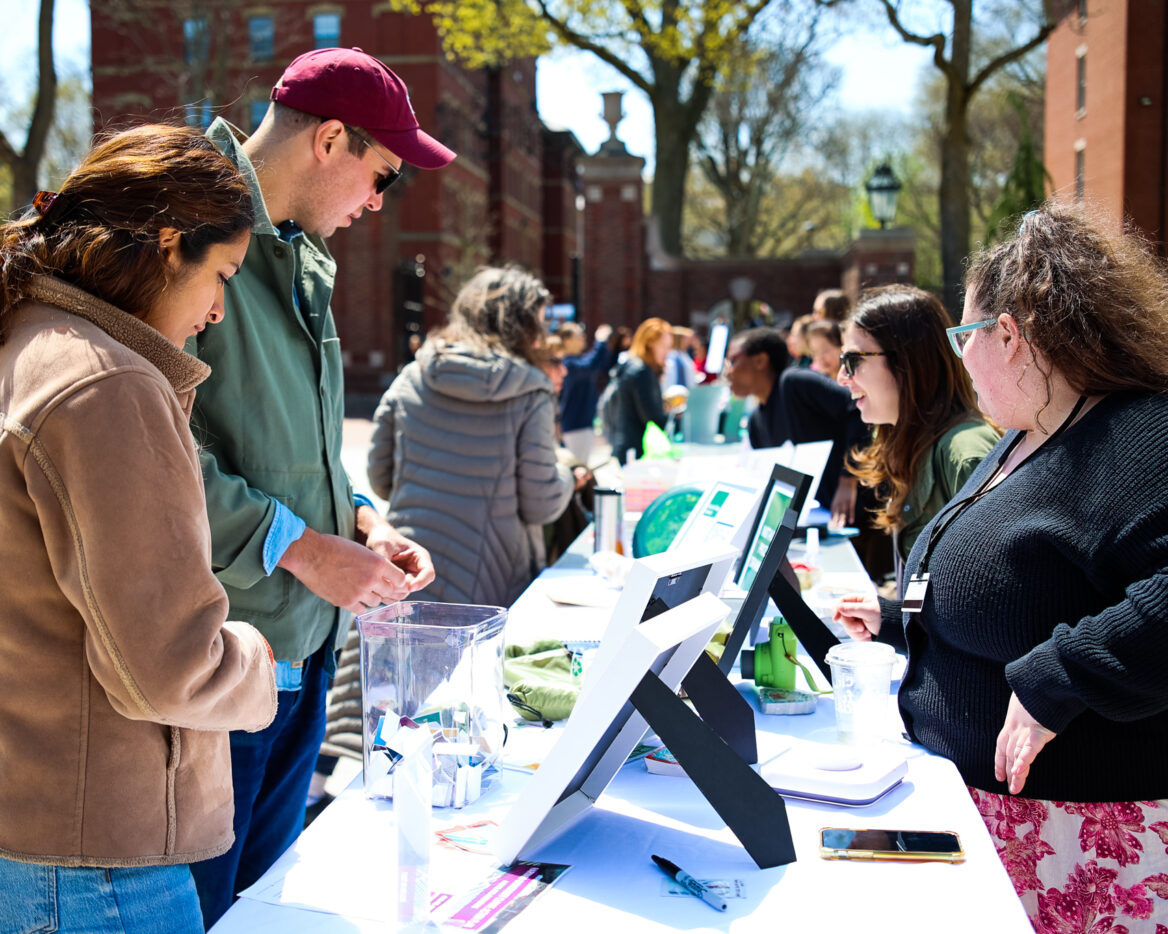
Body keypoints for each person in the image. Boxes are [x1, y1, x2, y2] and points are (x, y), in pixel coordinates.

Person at [834, 205, 1168, 926]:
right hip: (986, 819)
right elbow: (1001, 585)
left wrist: (1063, 673)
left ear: (1009, 337)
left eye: (965, 336)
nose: (960, 357)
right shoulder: (1028, 431)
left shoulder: (1143, 435)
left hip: (1079, 845)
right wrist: (901, 618)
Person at [188, 47, 448, 926]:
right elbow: (151, 456)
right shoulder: (186, 233)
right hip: (218, 662)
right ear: (331, 140)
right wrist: (302, 548)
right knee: (212, 911)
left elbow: (297, 452)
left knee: (262, 910)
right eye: (381, 177)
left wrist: (363, 524)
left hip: (302, 650)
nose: (376, 204)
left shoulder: (298, 255)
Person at [0, 125, 277, 932]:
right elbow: (167, 668)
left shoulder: (28, 343)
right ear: (167, 244)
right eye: (222, 275)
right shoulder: (106, 384)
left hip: (41, 836)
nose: (219, 310)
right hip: (101, 865)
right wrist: (258, 661)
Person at [367, 266, 577, 606]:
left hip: (408, 575)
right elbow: (541, 503)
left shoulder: (412, 376)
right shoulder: (530, 392)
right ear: (520, 327)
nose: (540, 337)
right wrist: (568, 475)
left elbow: (379, 478)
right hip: (493, 585)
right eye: (537, 325)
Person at [834, 285, 999, 588]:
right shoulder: (906, 440)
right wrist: (888, 611)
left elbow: (992, 592)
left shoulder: (966, 453)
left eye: (853, 360)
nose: (841, 377)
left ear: (908, 362)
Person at [608, 317, 673, 464]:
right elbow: (652, 415)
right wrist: (677, 420)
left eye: (669, 346)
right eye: (663, 346)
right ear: (649, 344)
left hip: (626, 444)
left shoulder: (634, 365)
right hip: (634, 450)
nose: (667, 352)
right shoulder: (641, 371)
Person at [558, 321, 614, 464]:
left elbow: (596, 363)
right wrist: (600, 341)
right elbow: (591, 364)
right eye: (578, 335)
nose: (583, 337)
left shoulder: (575, 361)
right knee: (578, 468)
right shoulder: (567, 364)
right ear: (567, 340)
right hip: (575, 426)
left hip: (582, 424)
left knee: (580, 466)